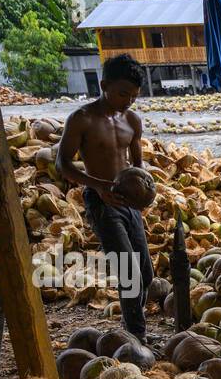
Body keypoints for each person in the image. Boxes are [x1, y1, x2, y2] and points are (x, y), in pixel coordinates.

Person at [57, 53, 154, 343]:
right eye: (123, 93)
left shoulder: (132, 120)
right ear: (104, 85)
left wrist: (144, 192)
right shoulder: (82, 119)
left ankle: (130, 323)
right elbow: (62, 164)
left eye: (134, 96)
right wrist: (98, 186)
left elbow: (137, 166)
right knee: (129, 273)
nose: (128, 101)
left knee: (146, 274)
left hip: (128, 202)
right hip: (101, 202)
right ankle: (136, 337)